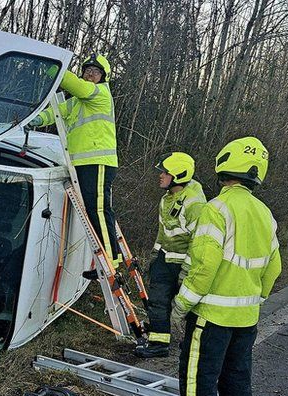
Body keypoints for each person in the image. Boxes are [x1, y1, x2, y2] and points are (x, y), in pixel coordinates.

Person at [164, 137, 281, 396]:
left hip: (212, 316)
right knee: (237, 373)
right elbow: (275, 266)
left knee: (199, 376)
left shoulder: (216, 209)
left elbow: (203, 266)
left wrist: (181, 304)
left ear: (224, 166)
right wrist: (256, 296)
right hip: (247, 317)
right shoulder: (264, 213)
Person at [29, 54, 122, 270]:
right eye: (87, 70)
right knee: (92, 211)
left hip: (98, 162)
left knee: (98, 210)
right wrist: (35, 119)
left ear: (103, 77)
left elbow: (75, 85)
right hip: (82, 164)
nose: (90, 74)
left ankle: (110, 261)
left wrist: (54, 69)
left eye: (95, 72)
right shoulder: (76, 103)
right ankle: (104, 260)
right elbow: (55, 113)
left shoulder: (99, 93)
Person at [135, 152, 206, 358]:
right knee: (158, 302)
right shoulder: (167, 199)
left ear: (179, 176)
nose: (161, 175)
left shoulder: (194, 204)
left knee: (190, 306)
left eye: (166, 173)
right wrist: (154, 256)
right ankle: (158, 344)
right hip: (164, 260)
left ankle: (192, 345)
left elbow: (199, 241)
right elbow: (164, 231)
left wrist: (186, 271)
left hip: (183, 264)